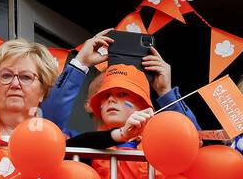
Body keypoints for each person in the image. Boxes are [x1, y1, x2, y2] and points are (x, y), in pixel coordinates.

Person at [40, 30, 201, 141]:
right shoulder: (82, 147)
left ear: (143, 104)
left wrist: (165, 92)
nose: (111, 100)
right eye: (105, 95)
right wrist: (80, 63)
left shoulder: (159, 146)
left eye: (123, 94)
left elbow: (196, 142)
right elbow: (47, 126)